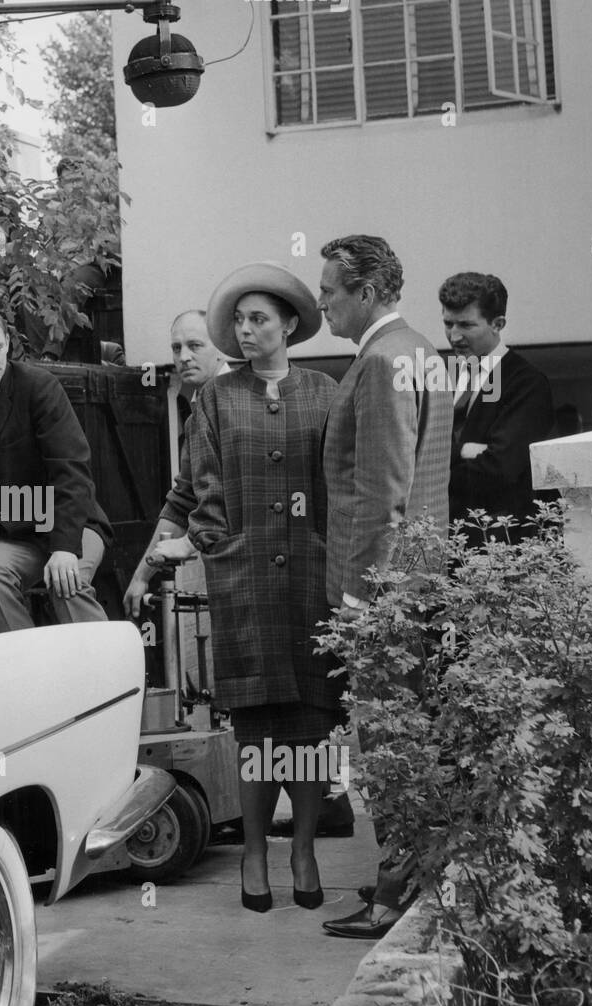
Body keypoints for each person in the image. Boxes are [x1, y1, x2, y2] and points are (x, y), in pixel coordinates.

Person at [153, 263, 341, 913]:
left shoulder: (323, 391)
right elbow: (202, 485)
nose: (247, 329)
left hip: (311, 583)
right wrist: (216, 545)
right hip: (246, 581)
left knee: (313, 727)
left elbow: (338, 485)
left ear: (289, 324)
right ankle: (257, 852)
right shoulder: (217, 397)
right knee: (257, 728)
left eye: (260, 318)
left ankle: (305, 848)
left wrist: (328, 554)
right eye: (239, 319)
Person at [316, 235, 454, 940]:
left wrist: (361, 597)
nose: (322, 301)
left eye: (331, 290)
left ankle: (396, 899)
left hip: (387, 589)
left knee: (388, 746)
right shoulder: (422, 350)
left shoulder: (378, 361)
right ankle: (402, 883)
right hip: (422, 579)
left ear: (367, 291)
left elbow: (382, 492)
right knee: (407, 740)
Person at [0, 305, 112, 633]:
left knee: (65, 584)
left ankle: (109, 673)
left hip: (73, 523)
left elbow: (71, 471)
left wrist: (65, 549)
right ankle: (33, 670)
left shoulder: (38, 387)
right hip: (13, 537)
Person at [123, 309, 227, 619]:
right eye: (176, 347)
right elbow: (183, 500)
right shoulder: (201, 408)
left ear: (221, 348)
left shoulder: (233, 401)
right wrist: (143, 574)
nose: (183, 356)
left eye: (195, 346)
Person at [441, 272, 555, 544]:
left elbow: (500, 470)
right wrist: (463, 451)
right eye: (448, 323)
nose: (454, 336)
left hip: (500, 544)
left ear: (498, 323)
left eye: (466, 325)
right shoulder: (450, 371)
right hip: (452, 539)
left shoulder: (527, 383)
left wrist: (435, 467)